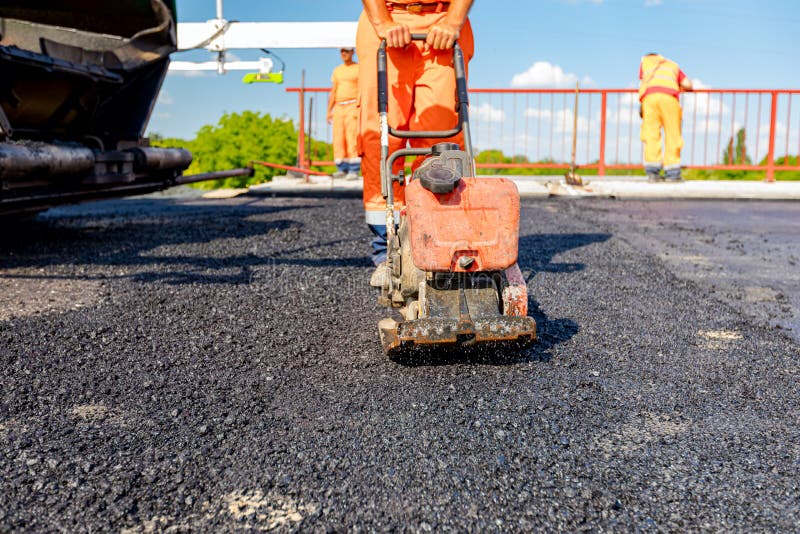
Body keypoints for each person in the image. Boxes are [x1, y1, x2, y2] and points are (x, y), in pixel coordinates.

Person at [357, 0, 474, 286]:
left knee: (442, 137)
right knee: (381, 136)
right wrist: (383, 22)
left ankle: (435, 237)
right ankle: (386, 251)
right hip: (385, 20)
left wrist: (454, 21)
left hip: (442, 24)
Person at [638, 52, 694, 182]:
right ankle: (672, 172)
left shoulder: (645, 63)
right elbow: (687, 85)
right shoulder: (672, 65)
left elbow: (642, 83)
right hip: (669, 98)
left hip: (649, 98)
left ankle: (653, 172)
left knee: (651, 134)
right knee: (673, 133)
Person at [327, 48, 361, 180]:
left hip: (352, 105)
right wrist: (329, 110)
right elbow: (334, 90)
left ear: (352, 52)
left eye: (346, 51)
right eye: (342, 51)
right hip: (339, 107)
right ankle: (342, 168)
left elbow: (362, 88)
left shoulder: (358, 68)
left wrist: (360, 107)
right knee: (338, 138)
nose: (344, 53)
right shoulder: (337, 70)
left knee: (351, 137)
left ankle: (353, 169)